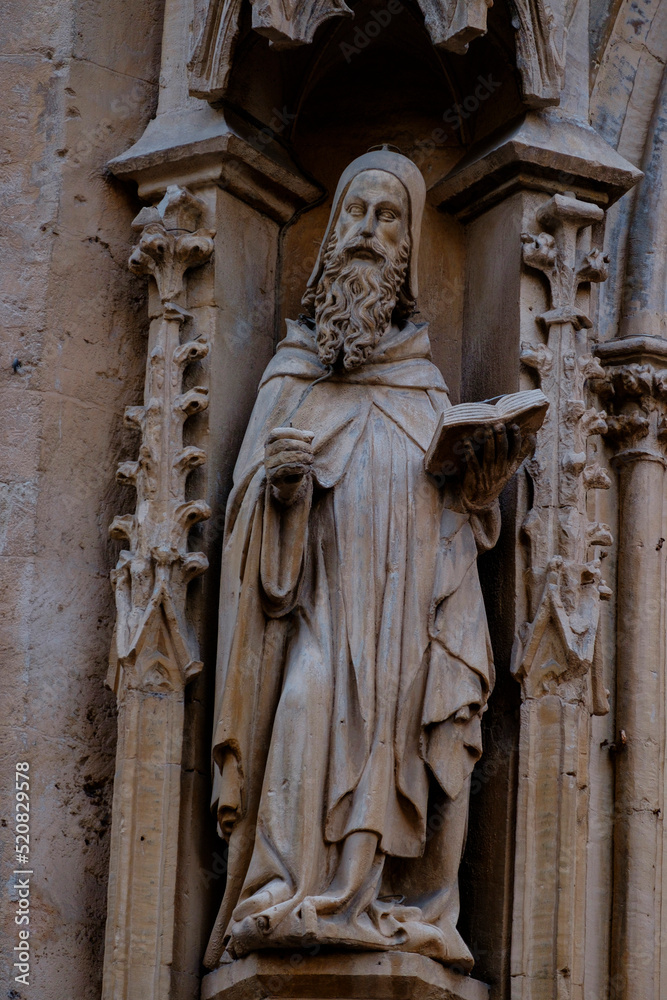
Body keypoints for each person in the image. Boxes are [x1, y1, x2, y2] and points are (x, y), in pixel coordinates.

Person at [204, 148, 522, 969]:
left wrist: (476, 493)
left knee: (398, 742)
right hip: (319, 612)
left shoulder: (423, 388)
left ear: (408, 248)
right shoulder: (291, 376)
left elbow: (457, 525)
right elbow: (242, 536)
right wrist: (279, 494)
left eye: (387, 219)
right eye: (356, 213)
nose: (368, 233)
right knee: (306, 711)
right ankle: (279, 892)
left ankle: (387, 901)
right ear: (329, 232)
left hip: (411, 623)